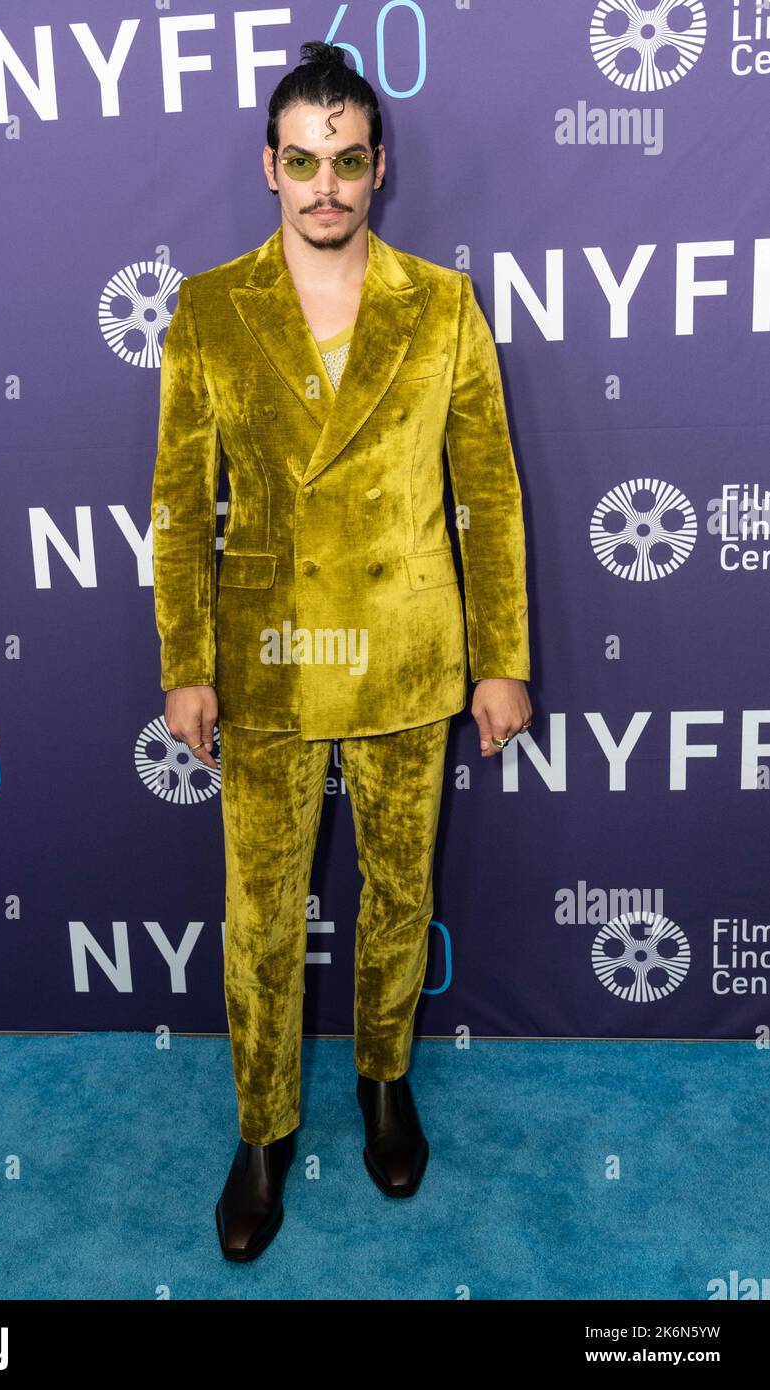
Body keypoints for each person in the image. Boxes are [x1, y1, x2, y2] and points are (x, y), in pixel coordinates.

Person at [151, 40, 533, 1262]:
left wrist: (500, 657)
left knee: (397, 895)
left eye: (347, 161)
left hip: (408, 655)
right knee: (259, 912)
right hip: (265, 657)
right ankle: (262, 1131)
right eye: (303, 161)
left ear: (379, 170)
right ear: (270, 168)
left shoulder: (444, 304)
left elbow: (489, 491)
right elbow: (176, 500)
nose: (326, 184)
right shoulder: (209, 307)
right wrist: (185, 660)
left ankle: (382, 1079)